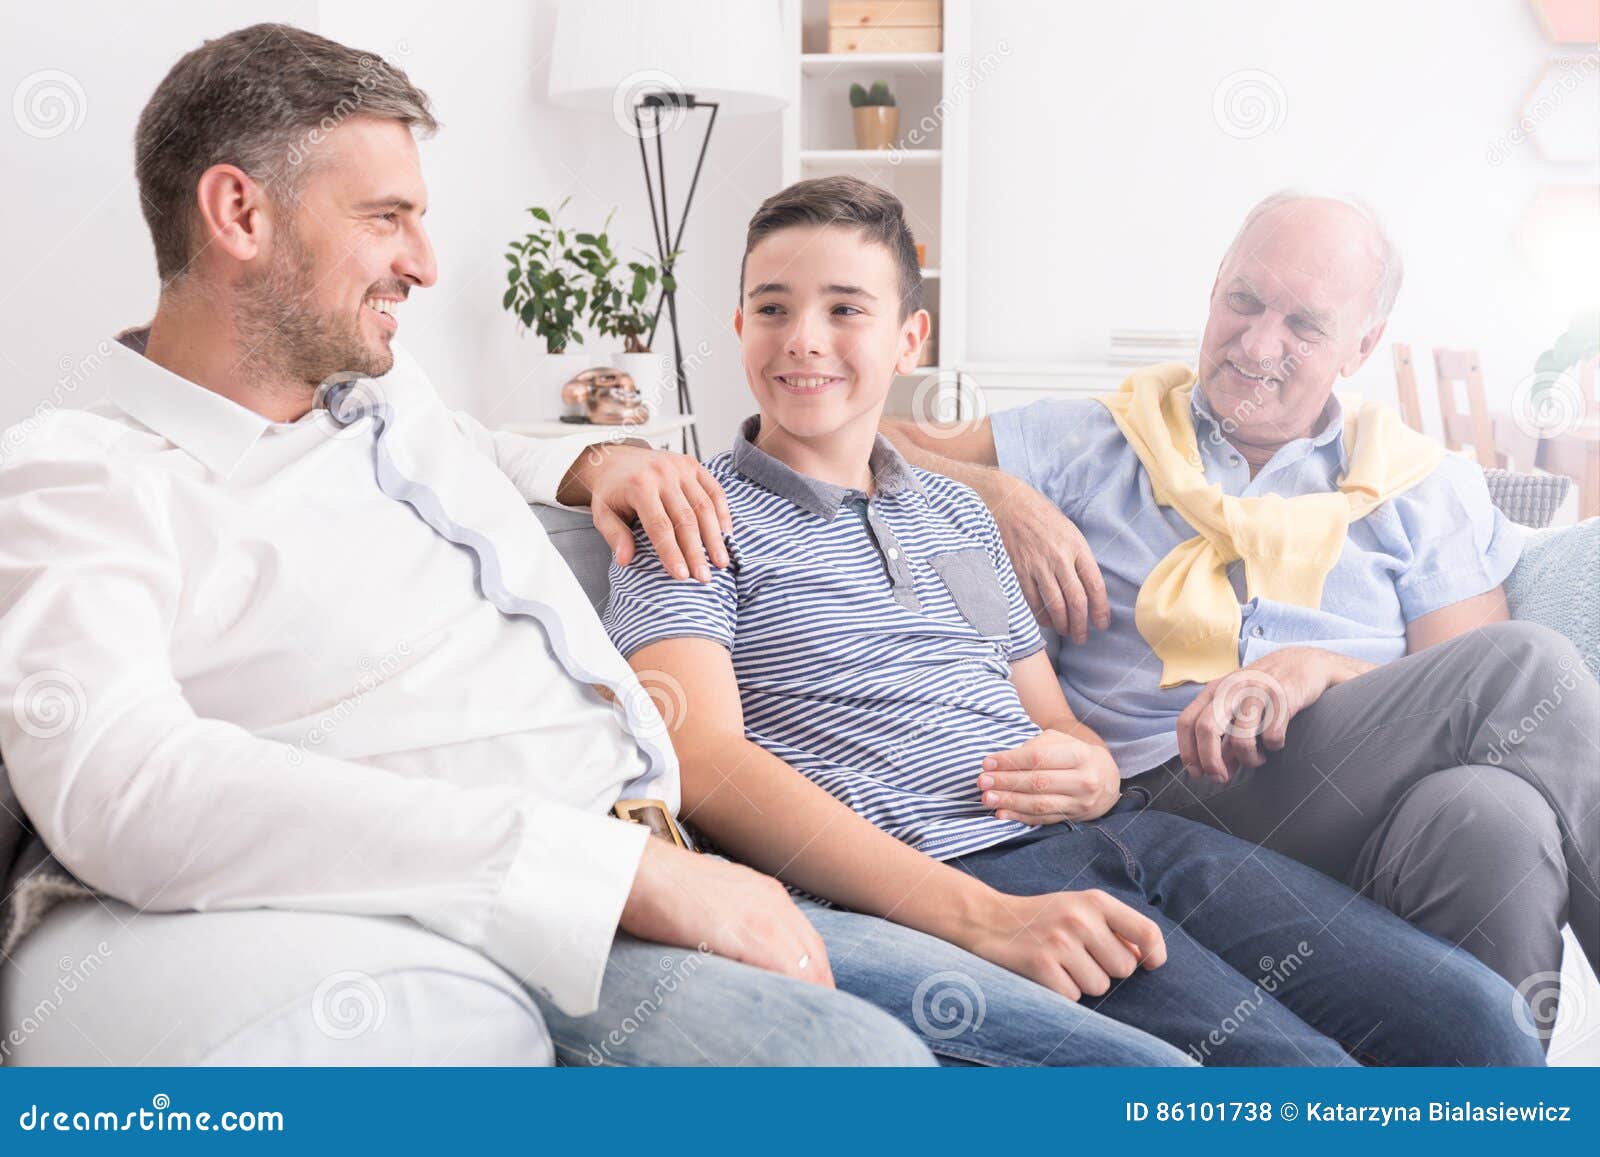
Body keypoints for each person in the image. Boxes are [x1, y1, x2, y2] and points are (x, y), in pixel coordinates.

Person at [0, 23, 934, 1068]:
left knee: (1129, 1064)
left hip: (690, 857)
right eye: (387, 217)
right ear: (239, 212)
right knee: (872, 1073)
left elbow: (486, 449)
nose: (426, 263)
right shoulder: (80, 478)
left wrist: (601, 462)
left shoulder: (379, 396)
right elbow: (121, 783)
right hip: (570, 920)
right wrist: (613, 875)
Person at [601, 174, 1546, 1066]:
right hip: (958, 873)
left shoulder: (955, 516)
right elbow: (707, 760)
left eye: (845, 308)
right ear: (736, 325)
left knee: (1477, 1023)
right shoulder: (693, 514)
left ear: (910, 338)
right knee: (1300, 1078)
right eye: (772, 307)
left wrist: (1087, 762)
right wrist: (977, 915)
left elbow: (1051, 717)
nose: (803, 338)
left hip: (1127, 837)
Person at [883, 191, 1599, 1040]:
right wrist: (996, 490)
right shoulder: (1094, 438)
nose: (1259, 344)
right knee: (1529, 668)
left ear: (1362, 345)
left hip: (1355, 807)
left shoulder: (1419, 482)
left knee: (1496, 815)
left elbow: (1465, 694)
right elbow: (863, 436)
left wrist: (1320, 670)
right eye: (1245, 301)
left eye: (1305, 324)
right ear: (1214, 287)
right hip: (1151, 802)